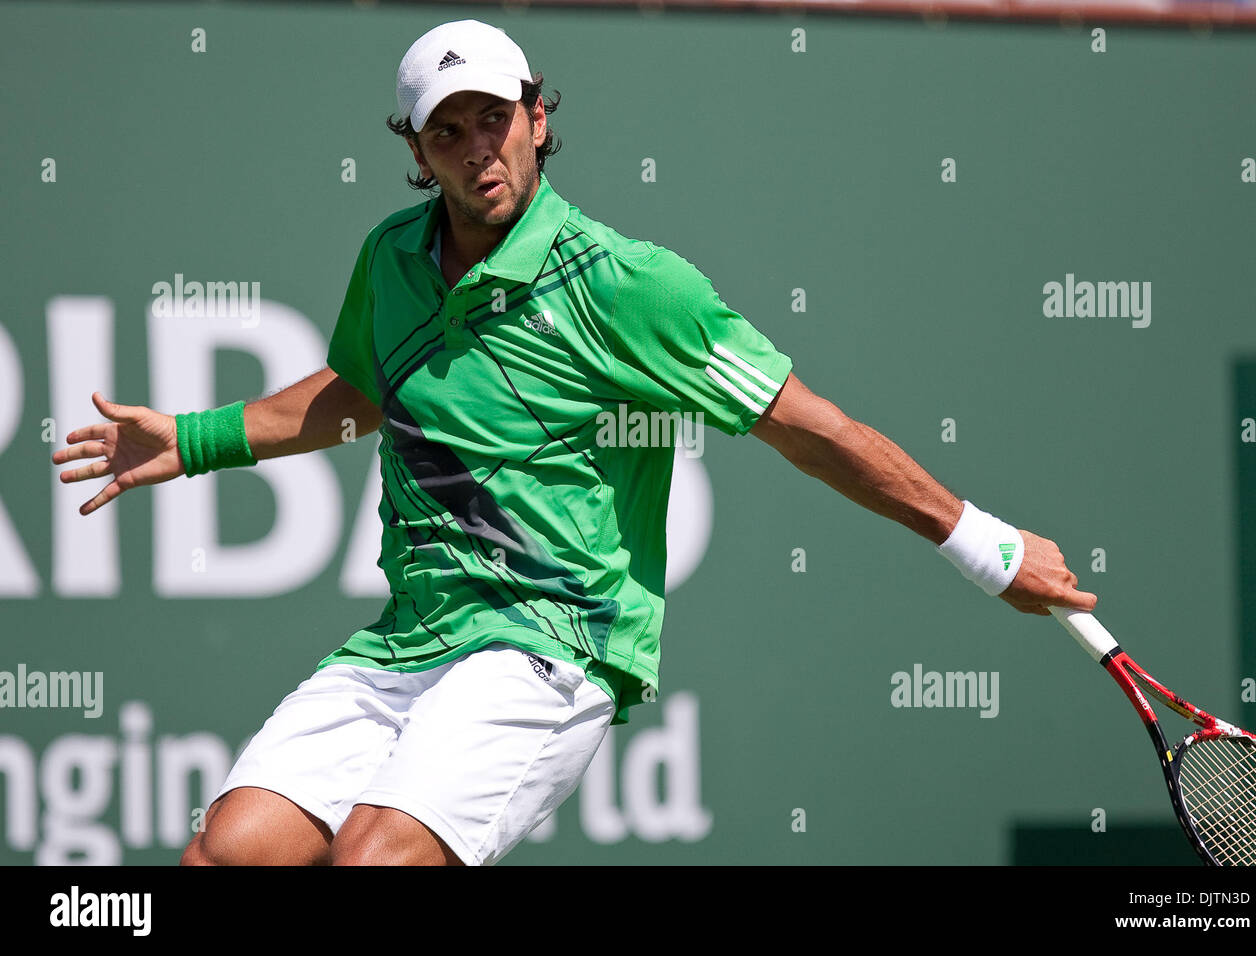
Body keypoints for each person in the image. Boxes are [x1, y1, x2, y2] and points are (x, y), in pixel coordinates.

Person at [50, 19, 1096, 866]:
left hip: (551, 646)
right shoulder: (392, 257)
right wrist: (195, 438)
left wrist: (983, 544)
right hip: (409, 639)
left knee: (374, 861)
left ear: (538, 120)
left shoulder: (628, 284)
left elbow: (809, 429)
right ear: (416, 151)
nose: (477, 147)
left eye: (494, 118)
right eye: (446, 130)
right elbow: (363, 391)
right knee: (229, 850)